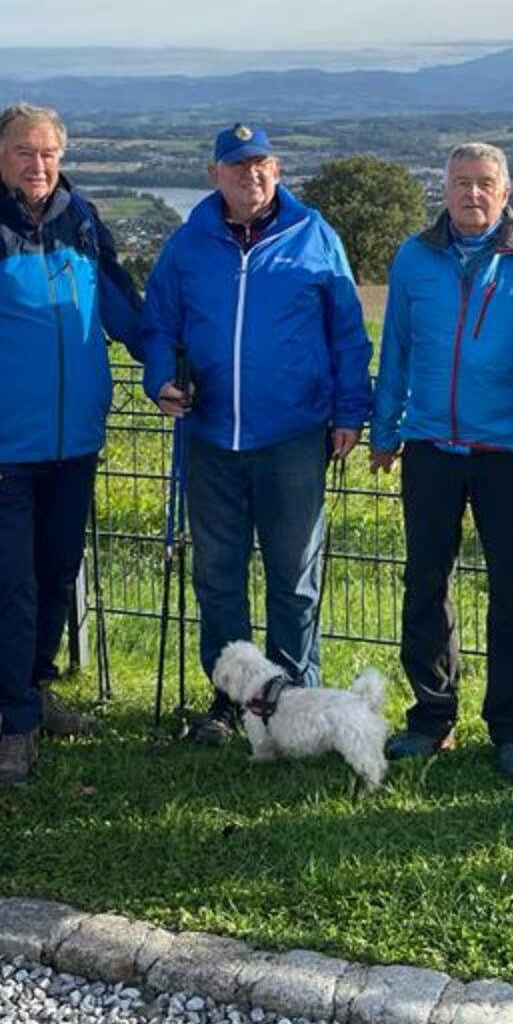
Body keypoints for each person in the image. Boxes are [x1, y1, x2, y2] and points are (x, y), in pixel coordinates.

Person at [0, 103, 144, 789]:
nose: (37, 165)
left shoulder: (83, 222)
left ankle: (36, 690)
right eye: (23, 152)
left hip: (75, 446)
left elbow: (126, 313)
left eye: (48, 153)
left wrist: (169, 371)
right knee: (9, 585)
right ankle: (14, 724)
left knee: (55, 575)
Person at [140, 122, 373, 740]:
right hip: (210, 436)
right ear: (214, 175)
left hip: (293, 434)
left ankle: (293, 698)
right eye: (238, 166)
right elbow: (158, 325)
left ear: (278, 170)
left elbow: (347, 332)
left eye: (261, 164)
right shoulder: (187, 245)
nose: (252, 175)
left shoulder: (314, 237)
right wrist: (160, 380)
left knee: (294, 577)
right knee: (218, 575)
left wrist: (351, 411)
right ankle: (232, 698)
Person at [370, 143, 513, 780]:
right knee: (426, 582)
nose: (472, 194)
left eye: (485, 183)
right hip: (431, 445)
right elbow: (396, 347)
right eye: (461, 182)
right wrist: (384, 429)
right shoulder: (414, 256)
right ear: (445, 190)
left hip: (511, 448)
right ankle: (432, 717)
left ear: (505, 193)